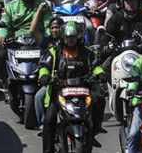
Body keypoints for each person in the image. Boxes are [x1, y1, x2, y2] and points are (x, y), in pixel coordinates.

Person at [39, 21, 105, 153]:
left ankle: (94, 129)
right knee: (49, 121)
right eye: (68, 37)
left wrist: (100, 74)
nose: (70, 40)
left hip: (84, 89)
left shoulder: (87, 52)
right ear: (63, 37)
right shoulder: (54, 52)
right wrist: (44, 76)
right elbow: (45, 67)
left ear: (78, 36)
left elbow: (95, 65)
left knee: (100, 100)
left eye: (73, 37)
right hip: (60, 90)